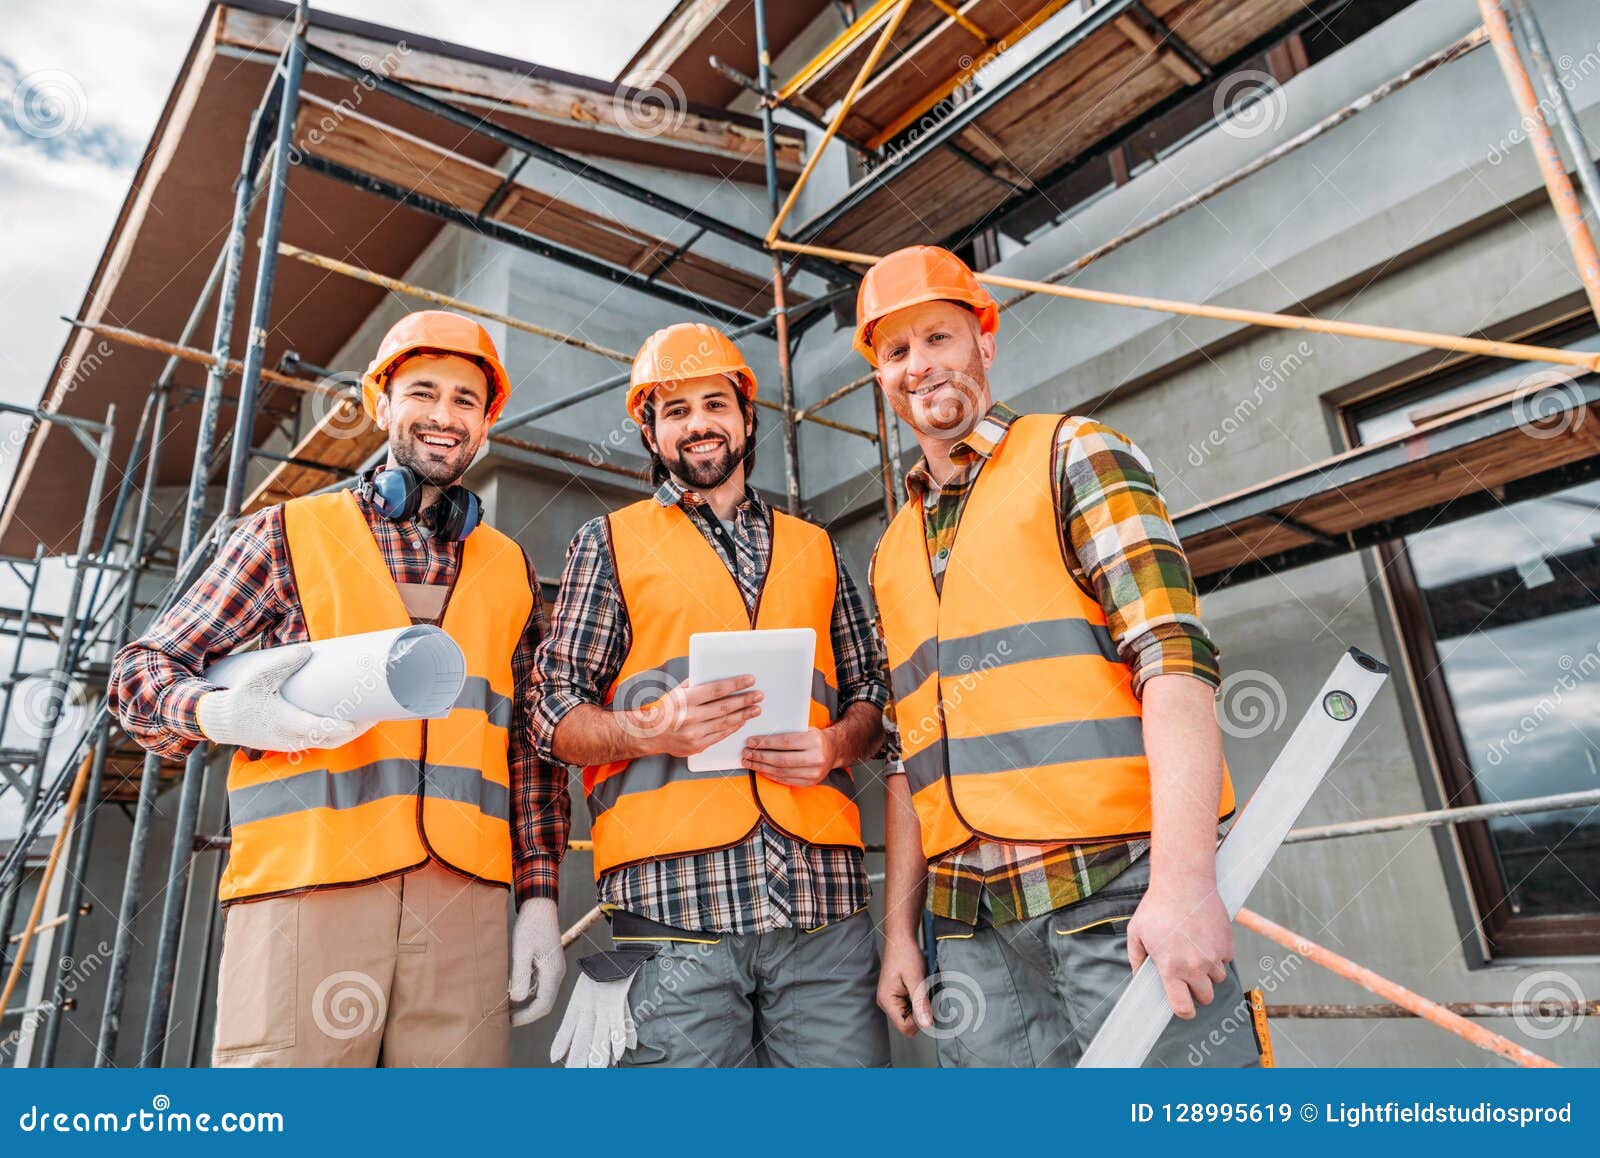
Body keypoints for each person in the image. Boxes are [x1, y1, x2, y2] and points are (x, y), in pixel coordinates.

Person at [109, 310, 570, 1066]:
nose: (445, 417)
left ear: (486, 422)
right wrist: (220, 713)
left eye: (467, 400)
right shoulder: (286, 534)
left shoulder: (510, 567)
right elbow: (139, 676)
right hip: (309, 891)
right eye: (424, 393)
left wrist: (541, 901)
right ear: (382, 404)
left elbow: (526, 753)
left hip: (464, 907)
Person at [860, 246, 1258, 1068]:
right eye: (895, 352)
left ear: (985, 341)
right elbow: (906, 759)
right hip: (970, 930)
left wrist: (1184, 884)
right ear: (880, 375)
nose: (919, 365)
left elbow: (1172, 658)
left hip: (1115, 895)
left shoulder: (1075, 456)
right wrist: (901, 932)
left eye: (937, 337)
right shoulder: (890, 551)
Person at [534, 322, 891, 1068]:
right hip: (673, 915)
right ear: (650, 430)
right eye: (675, 410)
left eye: (714, 403)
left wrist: (833, 744)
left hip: (820, 909)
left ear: (746, 415)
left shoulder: (816, 547)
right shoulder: (610, 542)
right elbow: (551, 712)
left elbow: (873, 700)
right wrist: (649, 730)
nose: (699, 424)